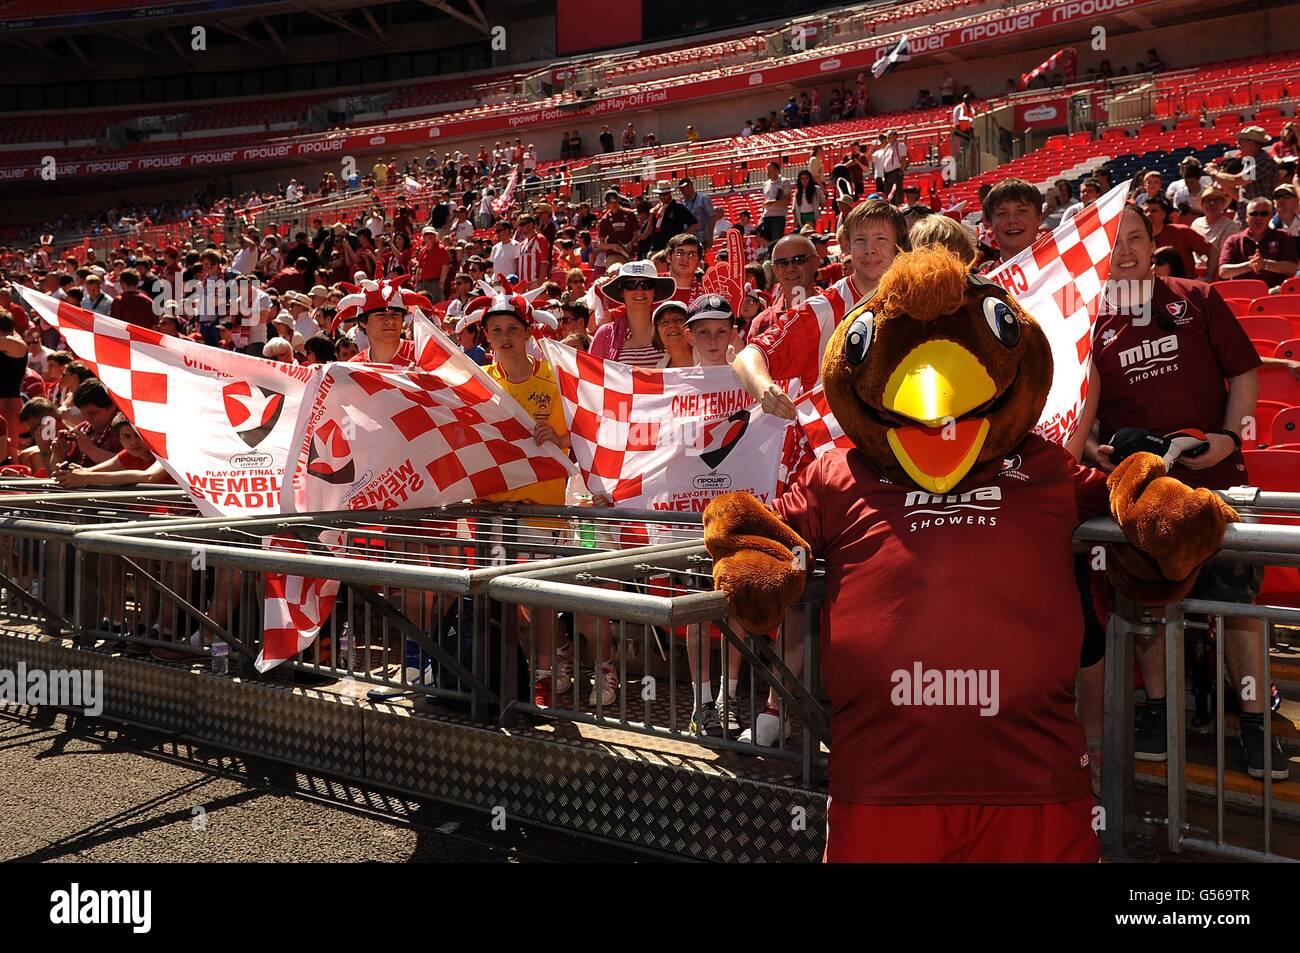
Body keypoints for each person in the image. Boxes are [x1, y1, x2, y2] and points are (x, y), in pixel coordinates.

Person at [1085, 204, 1287, 780]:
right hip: (1144, 494)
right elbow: (1085, 414)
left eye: (1133, 240)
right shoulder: (1092, 322)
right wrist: (1097, 450)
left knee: (1236, 609)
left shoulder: (1197, 298)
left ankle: (1254, 722)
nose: (1123, 251)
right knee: (1150, 602)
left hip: (1217, 486)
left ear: (1153, 246)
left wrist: (1227, 438)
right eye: (1113, 243)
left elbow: (1245, 374)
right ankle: (1160, 713)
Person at [734, 199, 909, 407]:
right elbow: (749, 356)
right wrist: (765, 389)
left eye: (880, 239)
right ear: (848, 246)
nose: (869, 249)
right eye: (860, 240)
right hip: (832, 436)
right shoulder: (823, 309)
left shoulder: (915, 302)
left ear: (898, 245)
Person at [589, 260, 675, 365]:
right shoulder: (604, 335)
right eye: (631, 285)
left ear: (654, 291)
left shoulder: (671, 330)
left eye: (647, 285)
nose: (639, 291)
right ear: (621, 292)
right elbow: (592, 376)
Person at [53, 414, 171, 488]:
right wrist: (66, 469)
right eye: (127, 436)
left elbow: (149, 477)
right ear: (119, 440)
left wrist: (85, 477)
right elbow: (87, 472)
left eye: (138, 435)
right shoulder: (128, 454)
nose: (134, 442)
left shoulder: (167, 450)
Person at [1219, 197, 1299, 289]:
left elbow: (1292, 268)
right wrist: (1250, 265)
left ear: (1270, 217)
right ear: (1246, 218)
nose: (1258, 217)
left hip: (1275, 294)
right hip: (1243, 294)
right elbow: (1223, 272)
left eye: (1263, 214)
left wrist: (1265, 264)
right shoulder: (1234, 240)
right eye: (1254, 214)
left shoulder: (1283, 237)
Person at [1143, 195, 1217, 281]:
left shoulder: (1181, 231)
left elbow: (1213, 252)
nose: (1148, 214)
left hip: (1186, 286)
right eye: (1145, 211)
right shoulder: (1137, 238)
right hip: (1152, 288)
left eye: (1154, 211)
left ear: (1164, 214)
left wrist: (1208, 276)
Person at [51, 379, 121, 468]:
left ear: (112, 406)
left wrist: (90, 450)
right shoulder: (81, 429)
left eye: (93, 413)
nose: (88, 418)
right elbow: (55, 473)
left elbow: (130, 465)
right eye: (83, 413)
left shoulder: (125, 430)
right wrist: (59, 454)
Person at [1190, 186, 1239, 274]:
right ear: (1202, 204)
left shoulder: (1230, 226)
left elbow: (1224, 254)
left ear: (1223, 205)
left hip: (1218, 272)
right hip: (1195, 271)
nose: (1212, 203)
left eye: (1217, 200)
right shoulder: (1196, 223)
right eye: (1208, 200)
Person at [0, 311, 26, 462]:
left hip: (8, 403)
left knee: (9, 451)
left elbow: (6, 341)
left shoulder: (15, 343)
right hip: (6, 402)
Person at [645, 182, 697, 253]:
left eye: (665, 194)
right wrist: (651, 216)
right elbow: (650, 230)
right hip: (656, 247)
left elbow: (695, 224)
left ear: (670, 193)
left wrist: (682, 238)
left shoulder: (678, 207)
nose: (663, 197)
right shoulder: (656, 209)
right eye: (660, 194)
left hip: (672, 247)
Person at [677, 179, 717, 251]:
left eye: (684, 188)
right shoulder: (683, 203)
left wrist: (710, 236)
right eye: (681, 189)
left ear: (691, 186)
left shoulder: (703, 199)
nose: (682, 190)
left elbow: (712, 218)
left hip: (701, 238)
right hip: (688, 239)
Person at [664, 233, 703, 303]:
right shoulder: (650, 285)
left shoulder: (706, 292)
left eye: (692, 254)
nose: (685, 259)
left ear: (699, 263)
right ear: (669, 257)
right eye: (680, 253)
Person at [652, 300, 693, 368]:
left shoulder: (710, 360)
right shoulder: (659, 370)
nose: (672, 325)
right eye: (665, 322)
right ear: (657, 332)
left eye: (679, 320)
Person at [760, 162, 791, 244]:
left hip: (778, 216)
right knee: (763, 238)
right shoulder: (766, 184)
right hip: (766, 216)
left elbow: (788, 200)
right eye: (767, 171)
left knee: (776, 241)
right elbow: (765, 199)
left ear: (777, 170)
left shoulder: (784, 182)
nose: (769, 173)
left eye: (771, 170)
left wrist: (773, 202)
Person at [876, 130, 908, 205]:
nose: (888, 137)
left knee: (897, 192)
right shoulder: (887, 147)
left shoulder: (900, 145)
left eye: (890, 135)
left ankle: (899, 207)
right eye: (887, 135)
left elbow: (903, 158)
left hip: (896, 172)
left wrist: (901, 170)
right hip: (887, 174)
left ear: (895, 136)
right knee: (889, 193)